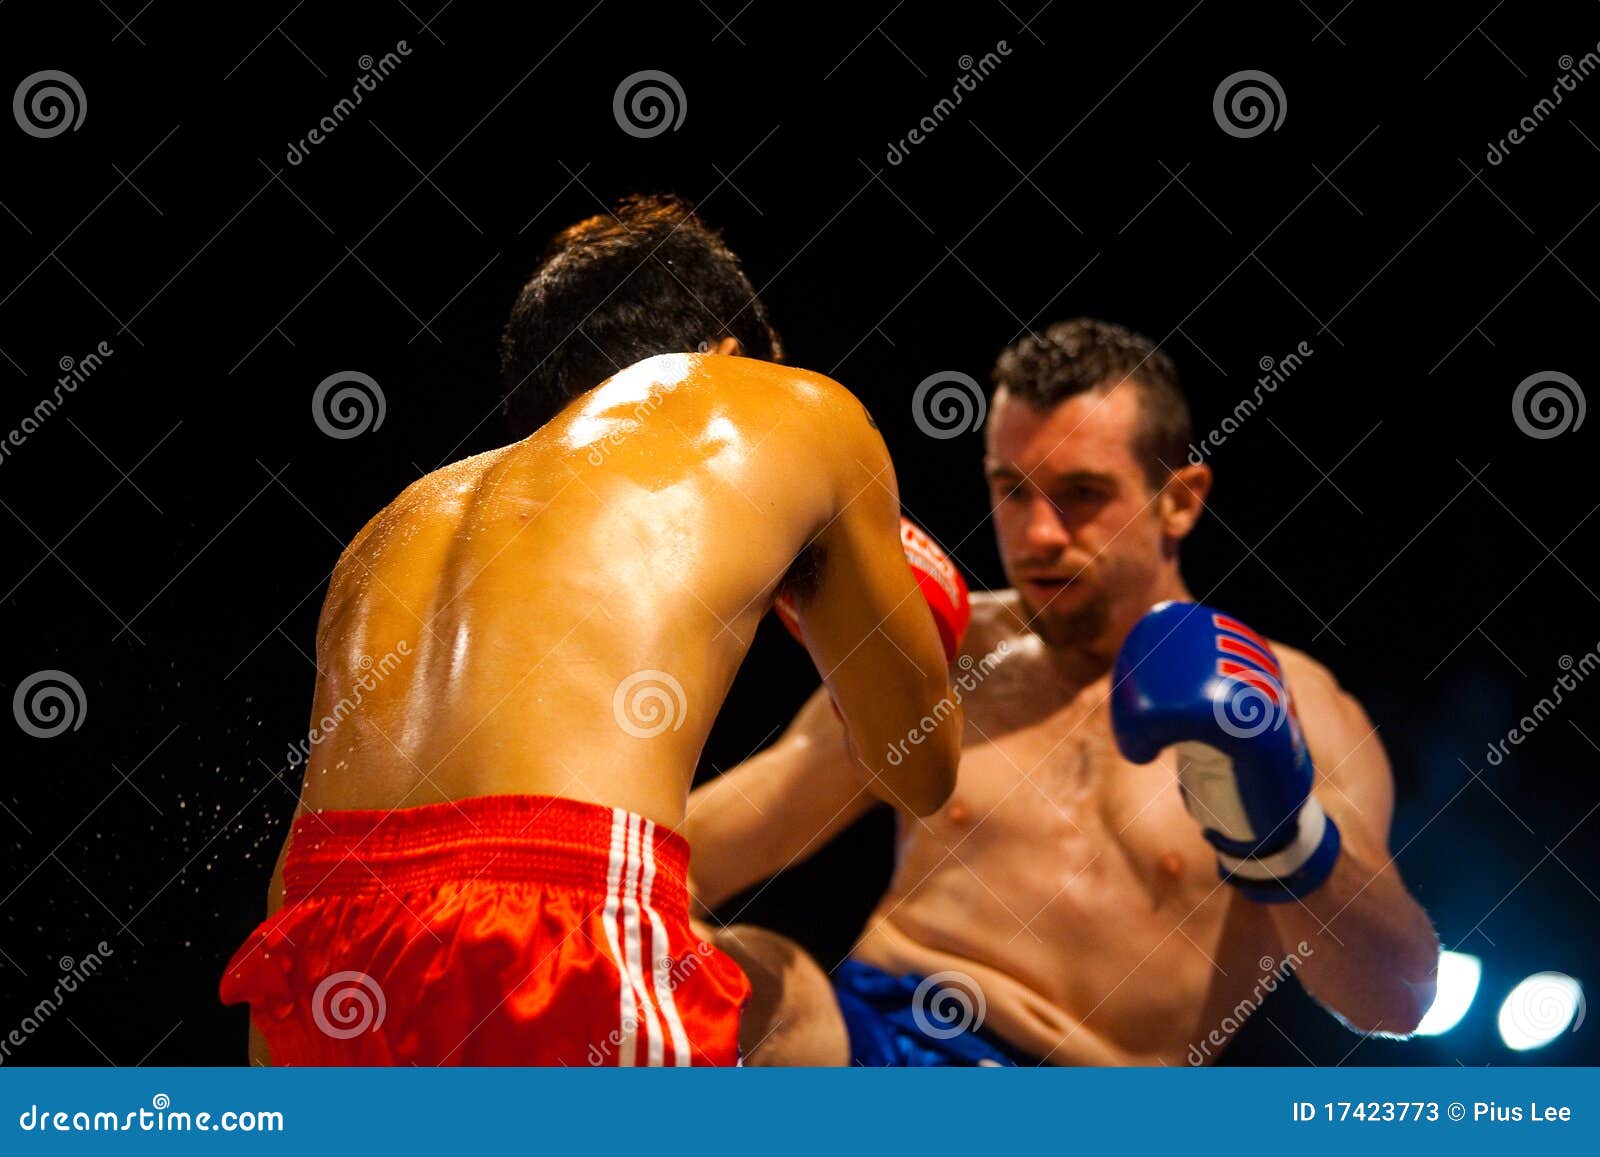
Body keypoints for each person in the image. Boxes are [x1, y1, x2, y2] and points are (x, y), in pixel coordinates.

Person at [219, 195, 965, 1066]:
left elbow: (293, 895)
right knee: (789, 992)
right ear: (729, 355)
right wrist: (862, 604)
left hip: (319, 947)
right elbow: (919, 770)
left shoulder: (391, 525)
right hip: (554, 918)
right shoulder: (793, 407)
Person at [684, 318, 1440, 1065]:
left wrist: (1284, 831)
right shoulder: (945, 655)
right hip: (876, 1043)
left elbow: (1397, 996)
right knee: (741, 978)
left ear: (1179, 498)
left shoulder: (1287, 701)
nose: (1039, 534)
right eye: (1013, 492)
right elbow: (691, 858)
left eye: (1081, 493)